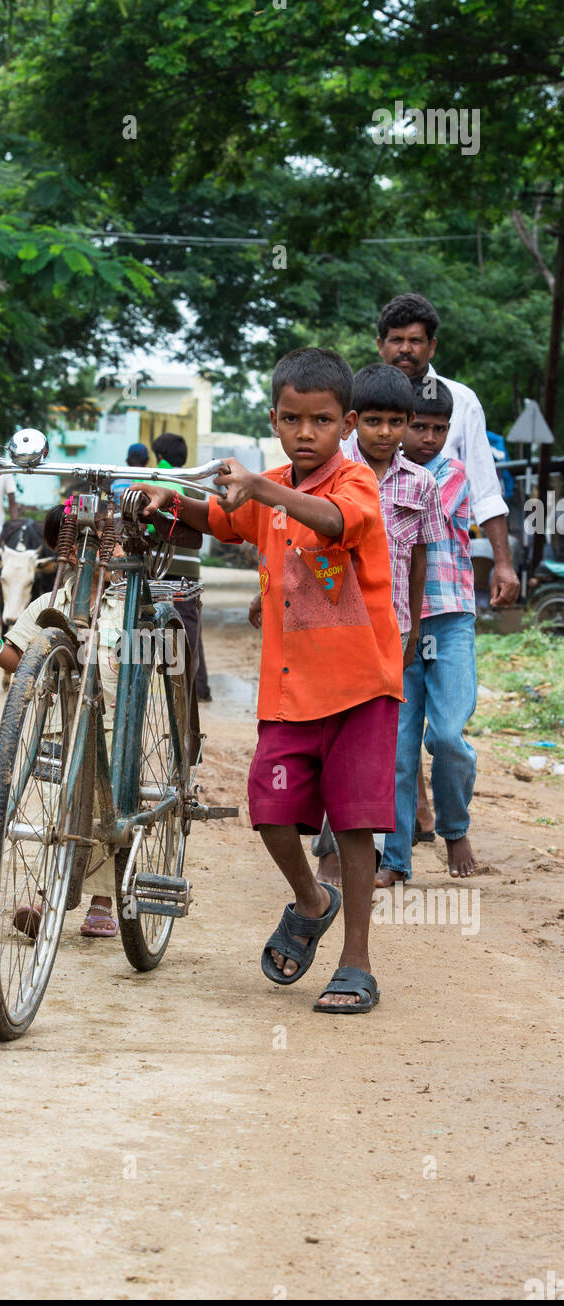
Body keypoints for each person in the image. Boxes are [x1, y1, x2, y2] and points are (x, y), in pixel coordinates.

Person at [137, 348, 404, 1014]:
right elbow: (223, 521)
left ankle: (356, 964)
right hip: (288, 695)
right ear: (274, 420)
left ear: (345, 424)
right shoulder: (270, 491)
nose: (305, 433)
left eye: (319, 420)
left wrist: (262, 488)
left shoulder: (354, 483)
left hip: (361, 691)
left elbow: (338, 524)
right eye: (291, 419)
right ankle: (312, 902)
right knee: (270, 811)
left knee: (352, 828)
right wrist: (167, 501)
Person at [311, 363, 446, 886]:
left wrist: (413, 626)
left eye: (395, 422)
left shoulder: (423, 484)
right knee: (330, 738)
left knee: (376, 745)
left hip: (389, 631)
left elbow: (418, 560)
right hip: (331, 627)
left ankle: (379, 855)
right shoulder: (331, 475)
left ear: (410, 423)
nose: (384, 433)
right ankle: (328, 854)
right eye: (373, 421)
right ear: (352, 423)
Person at [0, 502, 127, 937]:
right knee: (65, 813)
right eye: (81, 546)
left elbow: (153, 666)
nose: (95, 555)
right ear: (65, 552)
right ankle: (53, 898)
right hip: (64, 726)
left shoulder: (128, 606)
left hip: (117, 725)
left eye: (104, 545)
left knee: (105, 812)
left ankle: (98, 902)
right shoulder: (49, 605)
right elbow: (19, 660)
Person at [377, 378, 479, 884]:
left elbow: (422, 509)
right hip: (399, 621)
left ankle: (454, 829)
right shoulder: (382, 475)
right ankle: (396, 860)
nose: (429, 438)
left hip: (450, 617)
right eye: (419, 426)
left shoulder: (449, 474)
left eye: (440, 429)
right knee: (397, 749)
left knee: (446, 736)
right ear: (401, 426)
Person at [376, 293, 519, 608]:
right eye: (396, 339)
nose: (405, 349)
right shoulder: (361, 402)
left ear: (432, 346)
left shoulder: (462, 401)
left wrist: (504, 564)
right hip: (375, 578)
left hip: (444, 582)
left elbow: (485, 489)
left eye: (415, 340)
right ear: (380, 345)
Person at [151, 431, 212, 703]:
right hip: (190, 568)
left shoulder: (158, 480)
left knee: (150, 622)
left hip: (161, 564)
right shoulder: (195, 483)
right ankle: (199, 690)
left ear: (160, 456)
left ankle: (165, 690)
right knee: (190, 627)